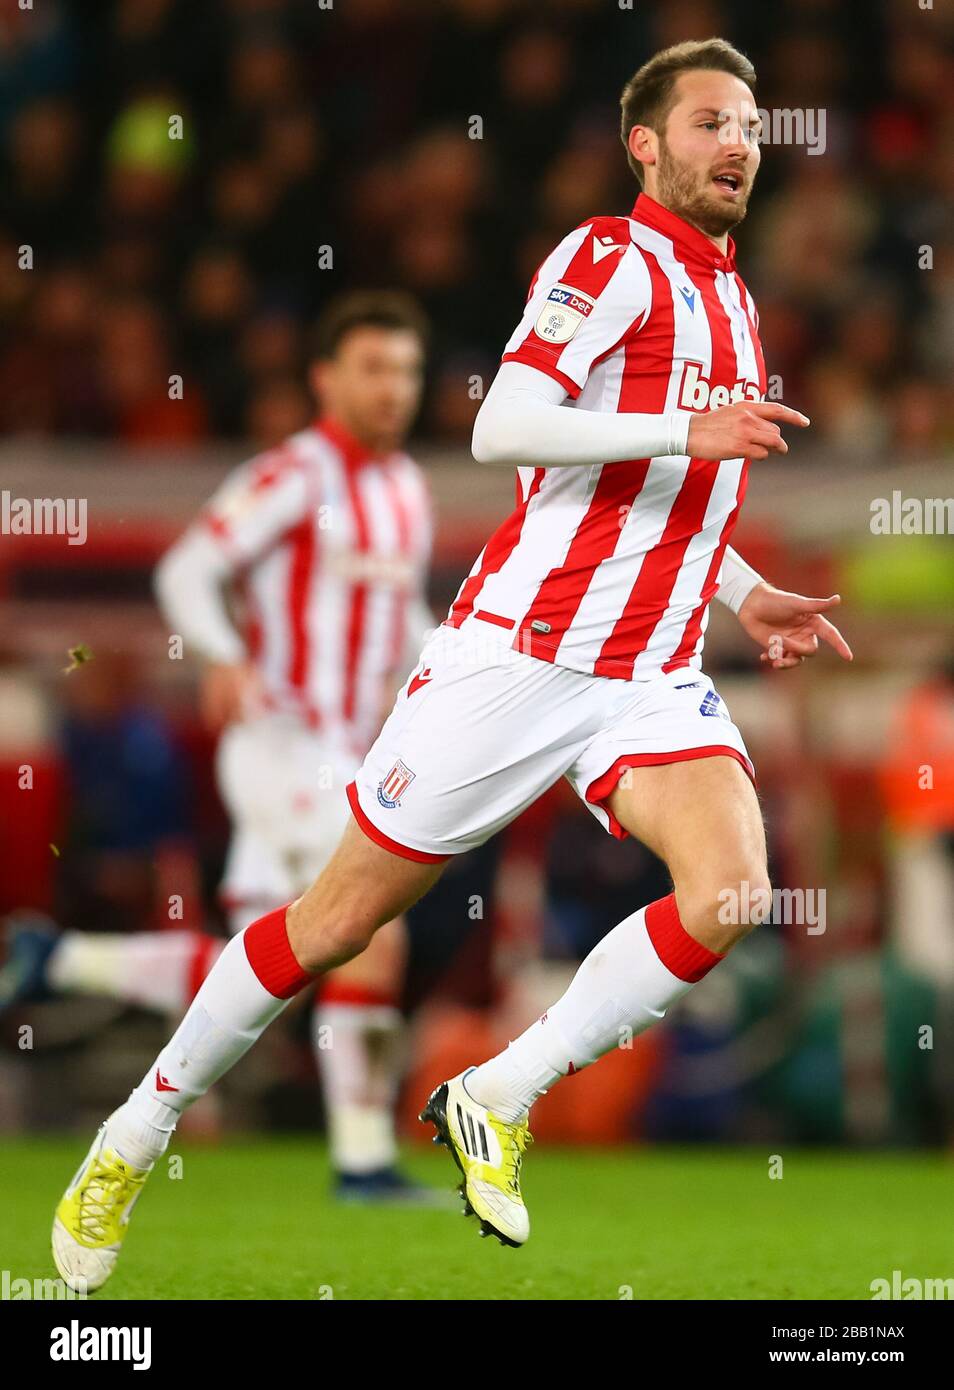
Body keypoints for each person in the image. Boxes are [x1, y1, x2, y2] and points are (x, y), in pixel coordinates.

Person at [51, 38, 852, 1289]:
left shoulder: (738, 302)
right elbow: (503, 423)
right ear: (646, 145)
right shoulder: (608, 258)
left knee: (733, 886)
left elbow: (665, 493)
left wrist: (745, 593)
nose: (739, 143)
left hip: (646, 672)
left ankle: (498, 1090)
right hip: (518, 657)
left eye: (750, 124)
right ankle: (137, 1126)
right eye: (708, 122)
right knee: (330, 925)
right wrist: (681, 421)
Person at [18, 290, 435, 1211]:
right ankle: (363, 1163)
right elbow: (188, 568)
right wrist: (220, 649)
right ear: (326, 379)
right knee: (371, 927)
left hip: (354, 752)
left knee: (268, 969)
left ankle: (60, 961)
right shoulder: (294, 473)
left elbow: (402, 621)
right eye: (372, 368)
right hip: (286, 744)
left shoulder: (405, 489)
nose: (392, 389)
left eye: (406, 371)